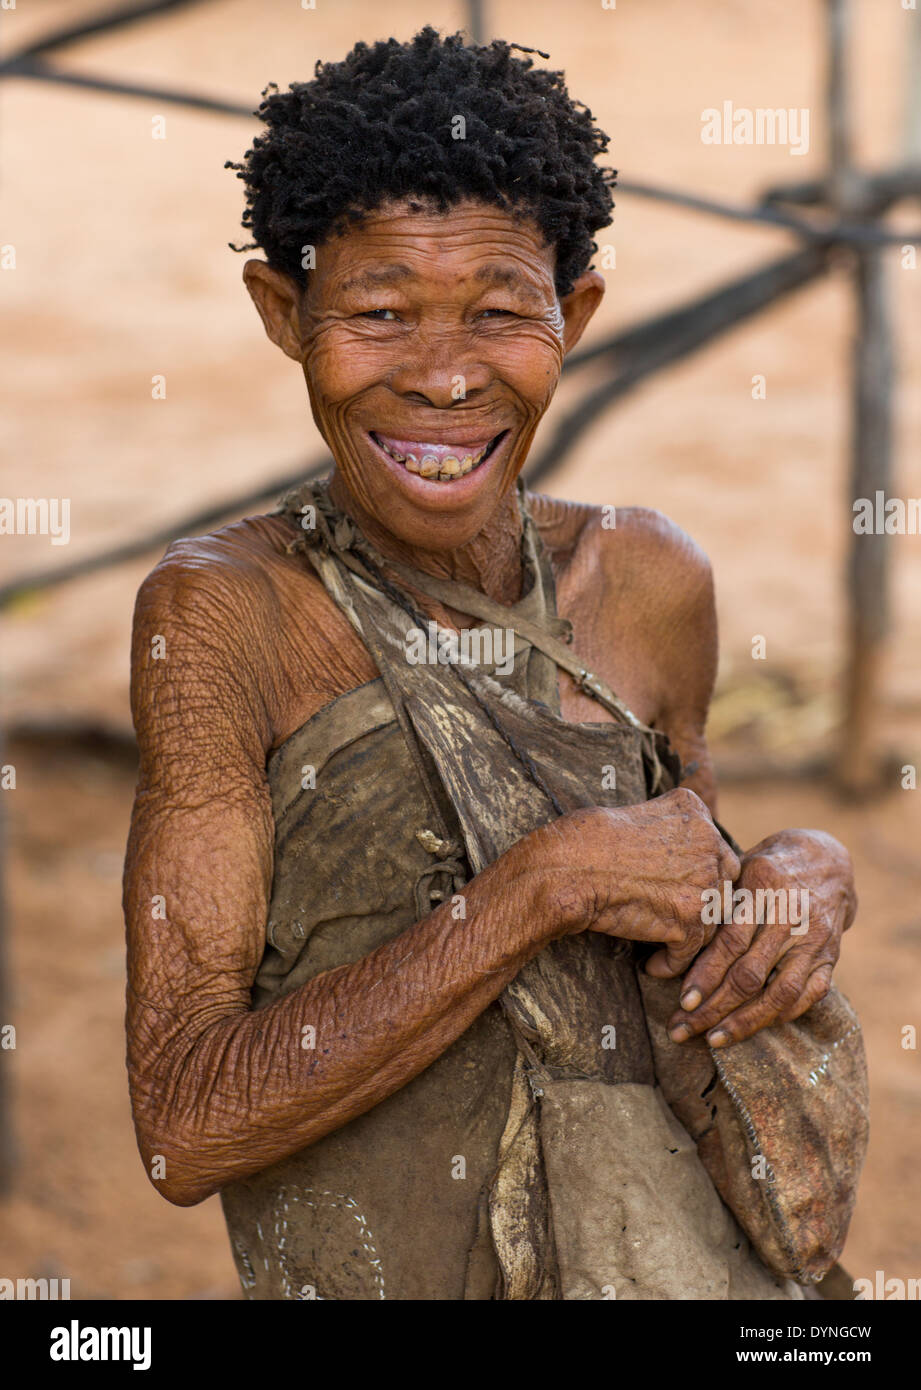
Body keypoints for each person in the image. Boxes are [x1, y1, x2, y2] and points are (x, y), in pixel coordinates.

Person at [123, 28, 865, 1301]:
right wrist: (535, 889)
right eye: (378, 313)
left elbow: (690, 892)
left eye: (502, 313)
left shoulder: (652, 583)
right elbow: (186, 1120)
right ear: (282, 312)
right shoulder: (227, 618)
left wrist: (800, 880)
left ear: (573, 317)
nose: (447, 374)